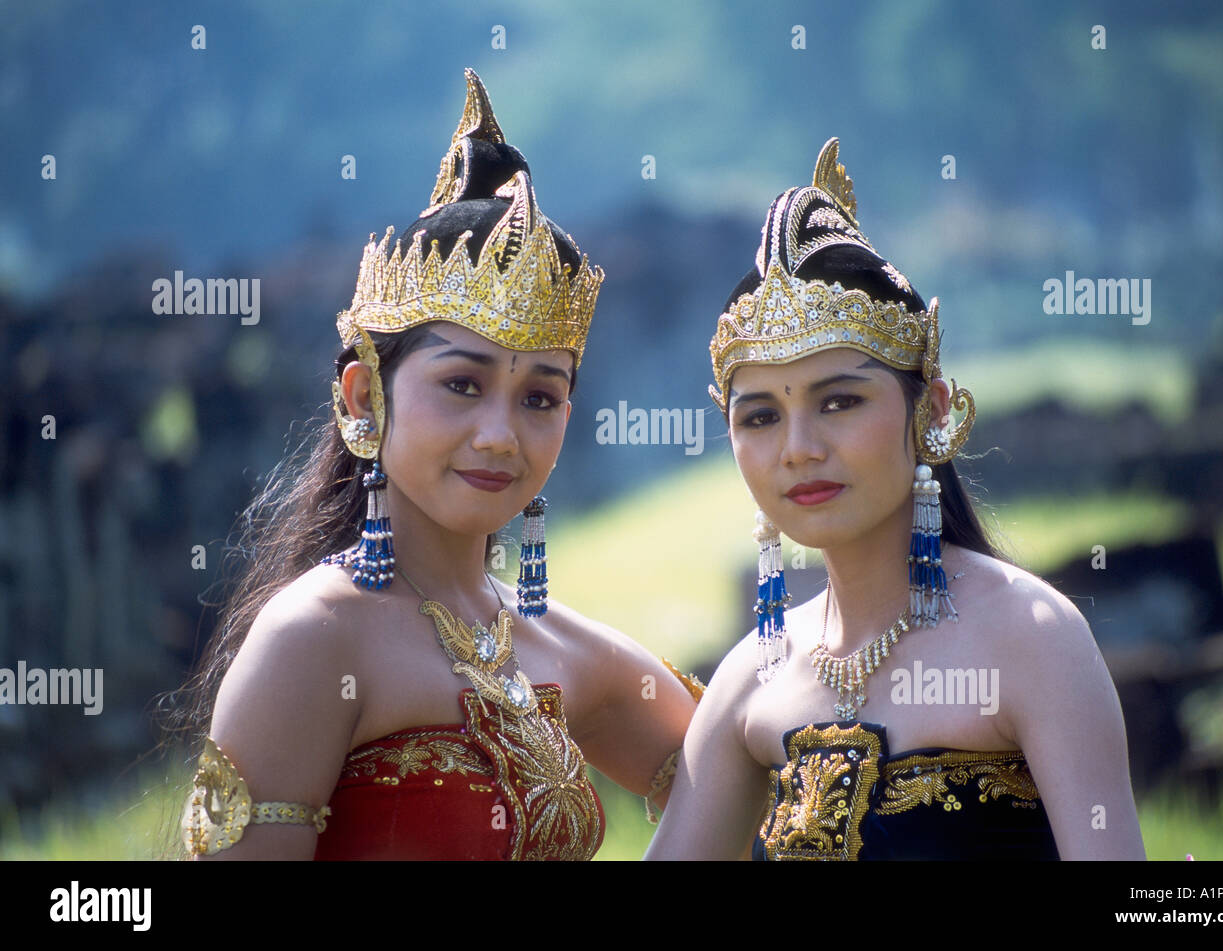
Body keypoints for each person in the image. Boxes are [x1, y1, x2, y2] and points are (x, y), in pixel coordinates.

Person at [173, 69, 698, 860]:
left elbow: (742, 763)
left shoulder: (561, 650)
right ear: (362, 398)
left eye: (539, 398)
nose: (500, 435)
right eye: (462, 384)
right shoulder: (313, 640)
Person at [645, 139, 1144, 860]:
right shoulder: (753, 675)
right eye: (759, 416)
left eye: (840, 400)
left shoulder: (1032, 639)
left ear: (931, 409)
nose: (798, 447)